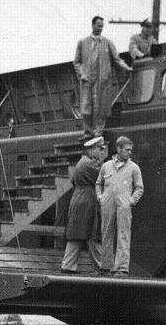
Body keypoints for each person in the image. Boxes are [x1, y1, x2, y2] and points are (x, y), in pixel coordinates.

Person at [74, 15, 132, 137]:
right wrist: (82, 74)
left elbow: (117, 59)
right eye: (98, 25)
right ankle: (88, 131)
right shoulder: (82, 43)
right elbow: (77, 61)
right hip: (88, 79)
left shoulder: (107, 43)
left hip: (103, 80)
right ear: (93, 25)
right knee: (86, 107)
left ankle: (99, 131)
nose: (100, 28)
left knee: (102, 107)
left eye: (102, 26)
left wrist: (127, 67)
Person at [95, 135, 144, 276]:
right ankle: (106, 266)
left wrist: (131, 201)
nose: (129, 152)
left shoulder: (134, 168)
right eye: (127, 150)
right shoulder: (106, 166)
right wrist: (101, 197)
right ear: (118, 149)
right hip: (107, 203)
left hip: (124, 205)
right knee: (106, 233)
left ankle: (121, 268)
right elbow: (98, 183)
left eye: (130, 150)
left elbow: (139, 188)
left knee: (123, 234)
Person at [60, 136, 106, 273]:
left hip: (79, 199)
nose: (101, 151)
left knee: (76, 234)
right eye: (100, 148)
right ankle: (102, 267)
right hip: (87, 201)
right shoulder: (88, 164)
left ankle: (68, 266)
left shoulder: (82, 162)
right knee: (93, 233)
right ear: (91, 150)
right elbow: (102, 178)